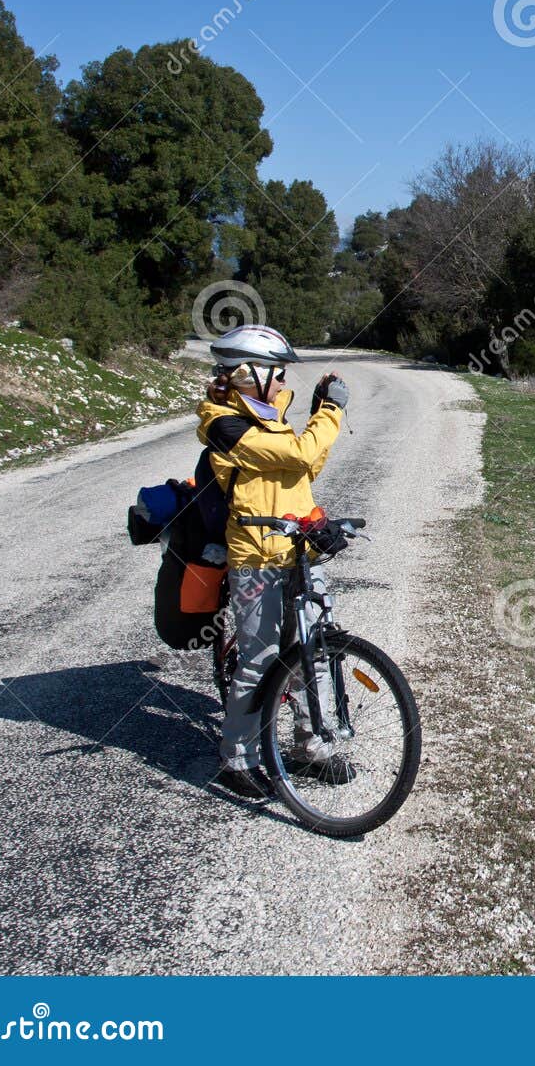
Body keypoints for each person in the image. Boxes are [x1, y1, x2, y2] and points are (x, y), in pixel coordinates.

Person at [197, 324, 352, 799]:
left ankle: (311, 748)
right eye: (278, 373)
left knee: (314, 653)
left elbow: (305, 467)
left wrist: (311, 415)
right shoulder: (224, 424)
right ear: (250, 373)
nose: (284, 382)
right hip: (256, 557)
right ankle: (237, 760)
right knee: (261, 660)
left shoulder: (274, 413)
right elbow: (302, 451)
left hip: (298, 549)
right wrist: (330, 411)